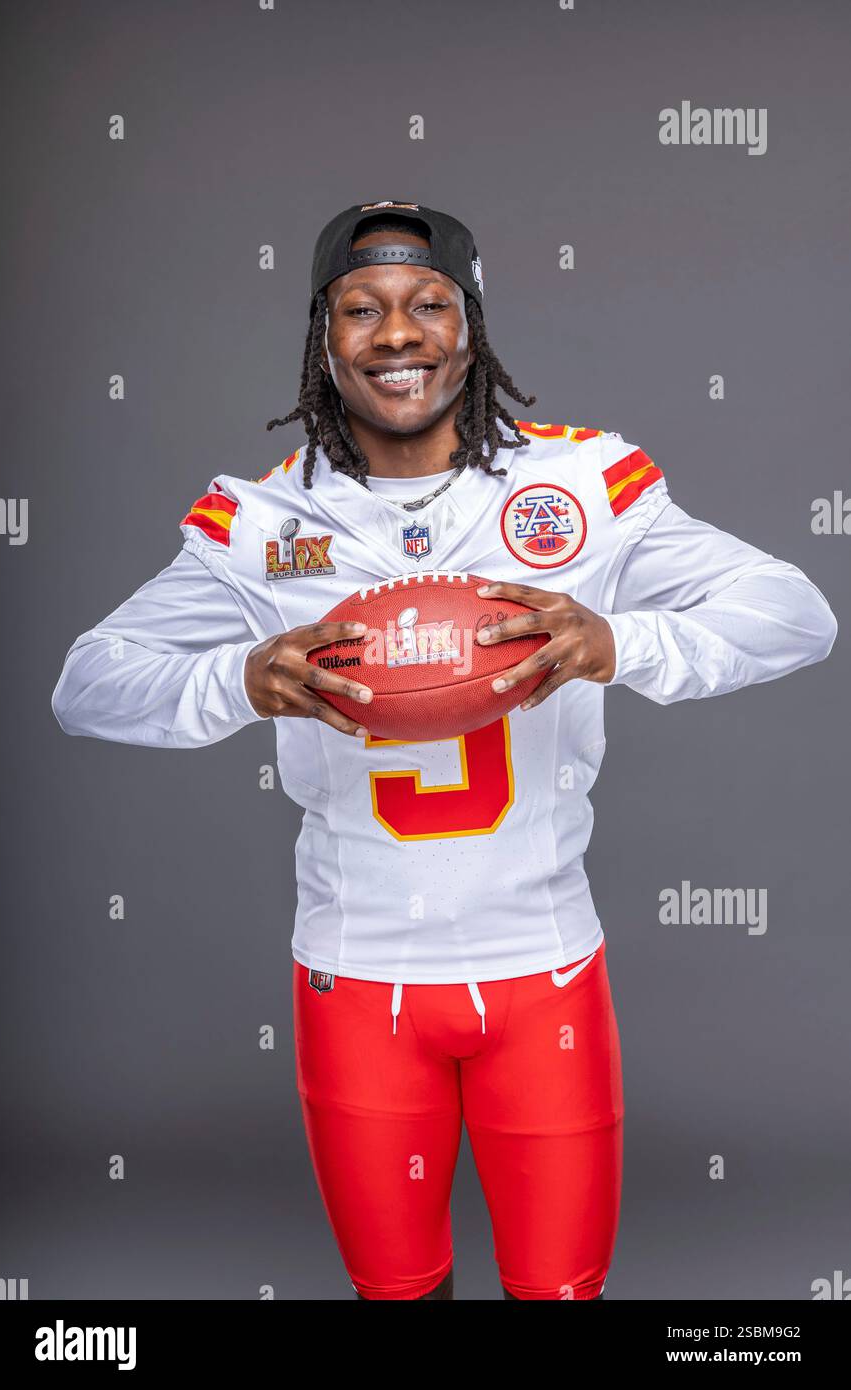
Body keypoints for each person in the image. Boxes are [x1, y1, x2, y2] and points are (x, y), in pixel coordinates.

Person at [51, 200, 837, 1301]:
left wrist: (617, 640)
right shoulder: (261, 522)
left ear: (471, 327)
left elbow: (797, 613)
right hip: (356, 974)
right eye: (359, 309)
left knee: (559, 1293)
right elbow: (85, 685)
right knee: (398, 1295)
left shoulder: (575, 486)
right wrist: (234, 676)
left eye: (428, 304)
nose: (397, 334)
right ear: (322, 339)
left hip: (547, 969)